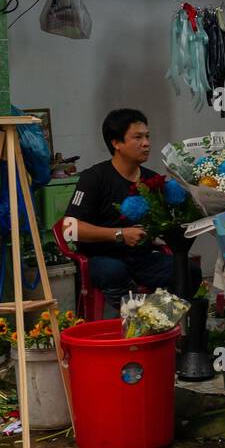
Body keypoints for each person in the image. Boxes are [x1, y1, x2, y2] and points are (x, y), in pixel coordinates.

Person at [64, 108, 175, 317]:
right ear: (116, 143)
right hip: (102, 257)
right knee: (114, 272)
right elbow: (69, 229)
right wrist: (120, 235)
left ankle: (157, 322)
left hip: (142, 257)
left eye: (147, 136)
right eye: (138, 137)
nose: (146, 143)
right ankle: (134, 324)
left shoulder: (153, 181)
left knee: (187, 270)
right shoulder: (94, 178)